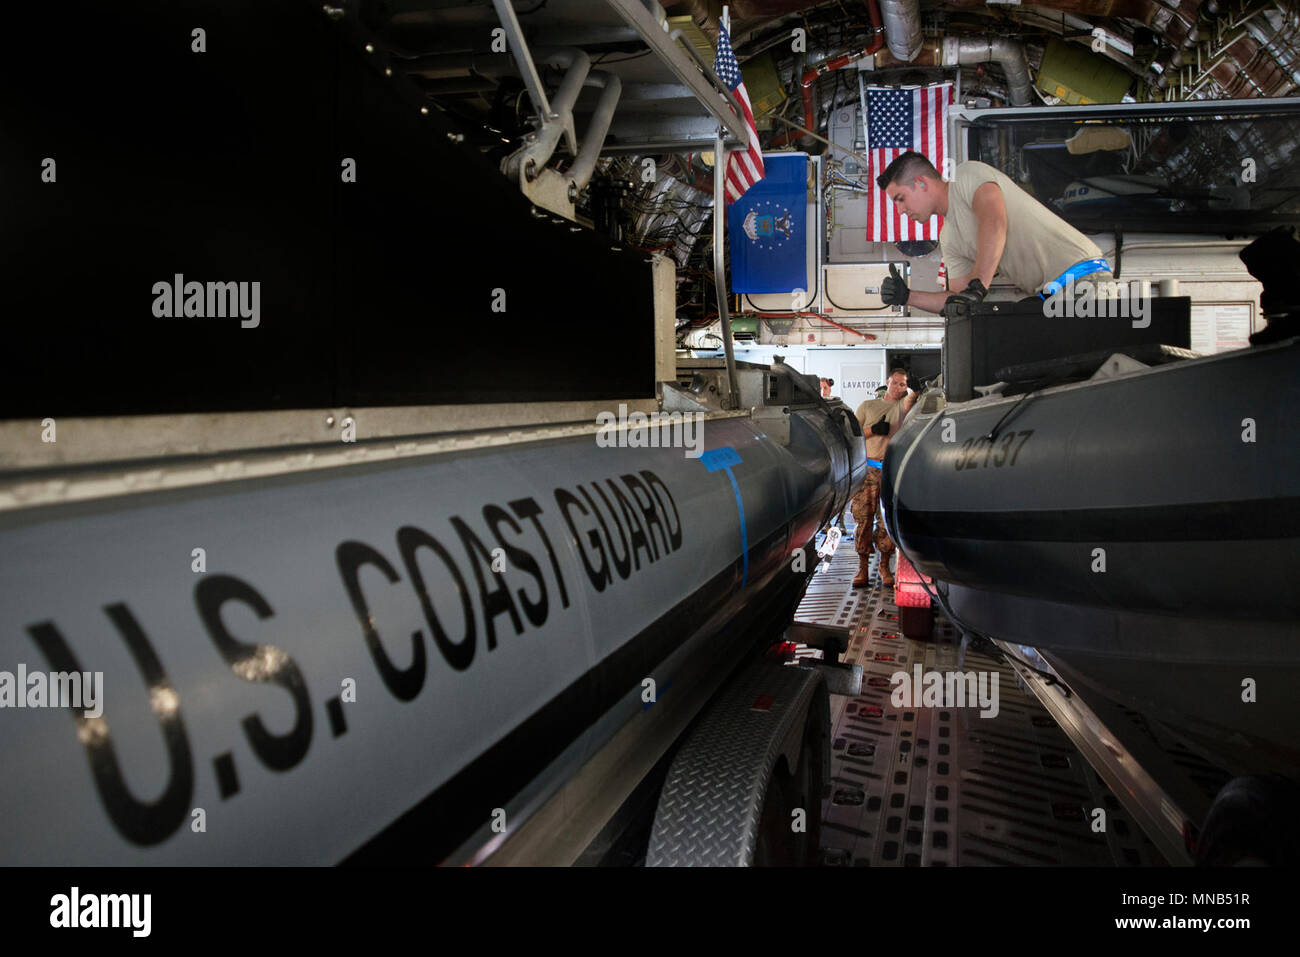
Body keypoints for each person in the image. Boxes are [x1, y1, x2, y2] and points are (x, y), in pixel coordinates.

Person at [875, 151, 1112, 315]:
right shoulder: (949, 237)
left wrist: (978, 285)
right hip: (1053, 296)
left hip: (1082, 277)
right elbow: (959, 299)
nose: (901, 211)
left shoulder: (967, 175)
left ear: (922, 182)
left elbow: (994, 220)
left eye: (900, 199)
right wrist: (906, 296)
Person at [850, 366, 915, 587]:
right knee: (863, 518)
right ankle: (862, 568)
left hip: (890, 470)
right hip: (867, 470)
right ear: (888, 382)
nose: (898, 387)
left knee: (887, 522)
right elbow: (853, 435)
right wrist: (873, 430)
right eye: (896, 382)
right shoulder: (868, 406)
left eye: (903, 384)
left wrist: (914, 386)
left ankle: (885, 566)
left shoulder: (903, 407)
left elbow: (911, 399)